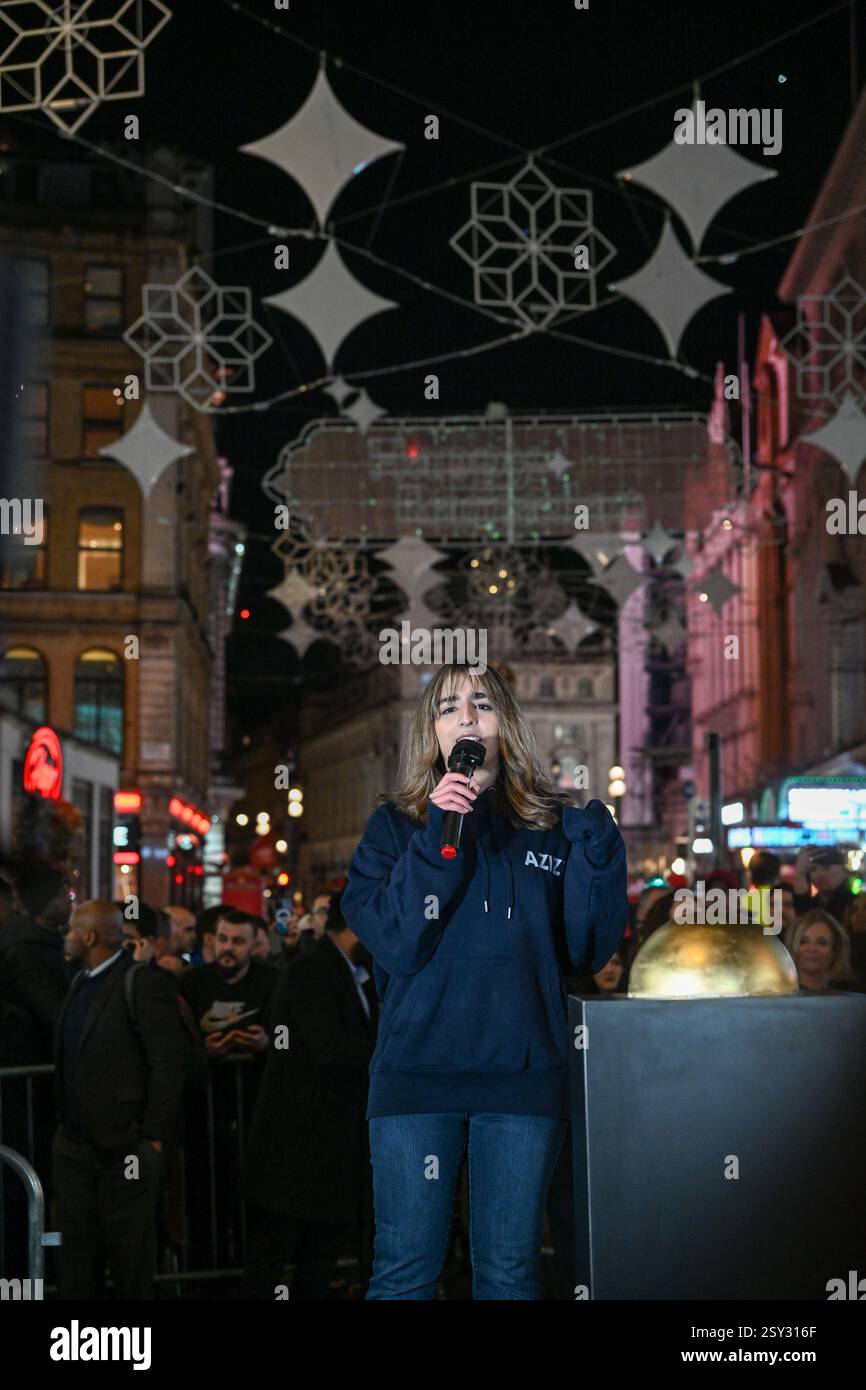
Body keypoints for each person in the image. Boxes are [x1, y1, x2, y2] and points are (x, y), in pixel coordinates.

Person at [342, 661, 628, 1300]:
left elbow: (583, 948)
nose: (466, 716)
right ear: (433, 732)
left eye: (481, 703)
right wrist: (438, 841)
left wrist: (601, 865)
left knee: (508, 1274)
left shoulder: (548, 825)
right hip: (416, 1077)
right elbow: (394, 939)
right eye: (448, 707)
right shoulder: (395, 826)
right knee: (404, 1273)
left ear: (507, 722)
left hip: (522, 1081)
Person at [242, 891, 378, 1299]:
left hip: (325, 1150)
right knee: (275, 1257)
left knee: (316, 1262)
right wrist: (390, 1051)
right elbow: (331, 1048)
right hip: (295, 1144)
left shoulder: (351, 971)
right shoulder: (311, 971)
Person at [52, 899, 190, 1299]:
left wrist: (151, 1139)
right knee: (79, 1260)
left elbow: (169, 1064)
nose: (68, 936)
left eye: (73, 930)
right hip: (76, 1148)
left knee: (131, 1260)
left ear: (90, 936)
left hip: (126, 1150)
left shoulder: (141, 983)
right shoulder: (80, 981)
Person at [179, 907, 277, 1267]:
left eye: (238, 941)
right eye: (223, 939)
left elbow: (288, 1036)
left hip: (254, 1111)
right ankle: (206, 1279)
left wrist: (267, 1044)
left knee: (252, 1204)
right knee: (205, 1203)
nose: (228, 948)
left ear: (254, 945)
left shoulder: (272, 980)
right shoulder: (192, 983)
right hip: (204, 1111)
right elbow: (175, 1042)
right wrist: (202, 1052)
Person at [790, 909, 853, 993]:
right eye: (803, 942)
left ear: (835, 951)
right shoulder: (777, 995)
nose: (812, 949)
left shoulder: (849, 997)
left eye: (822, 943)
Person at [792, 846, 856, 923]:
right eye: (813, 869)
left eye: (827, 868)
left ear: (843, 870)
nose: (819, 875)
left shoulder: (855, 905)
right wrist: (799, 875)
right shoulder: (815, 902)